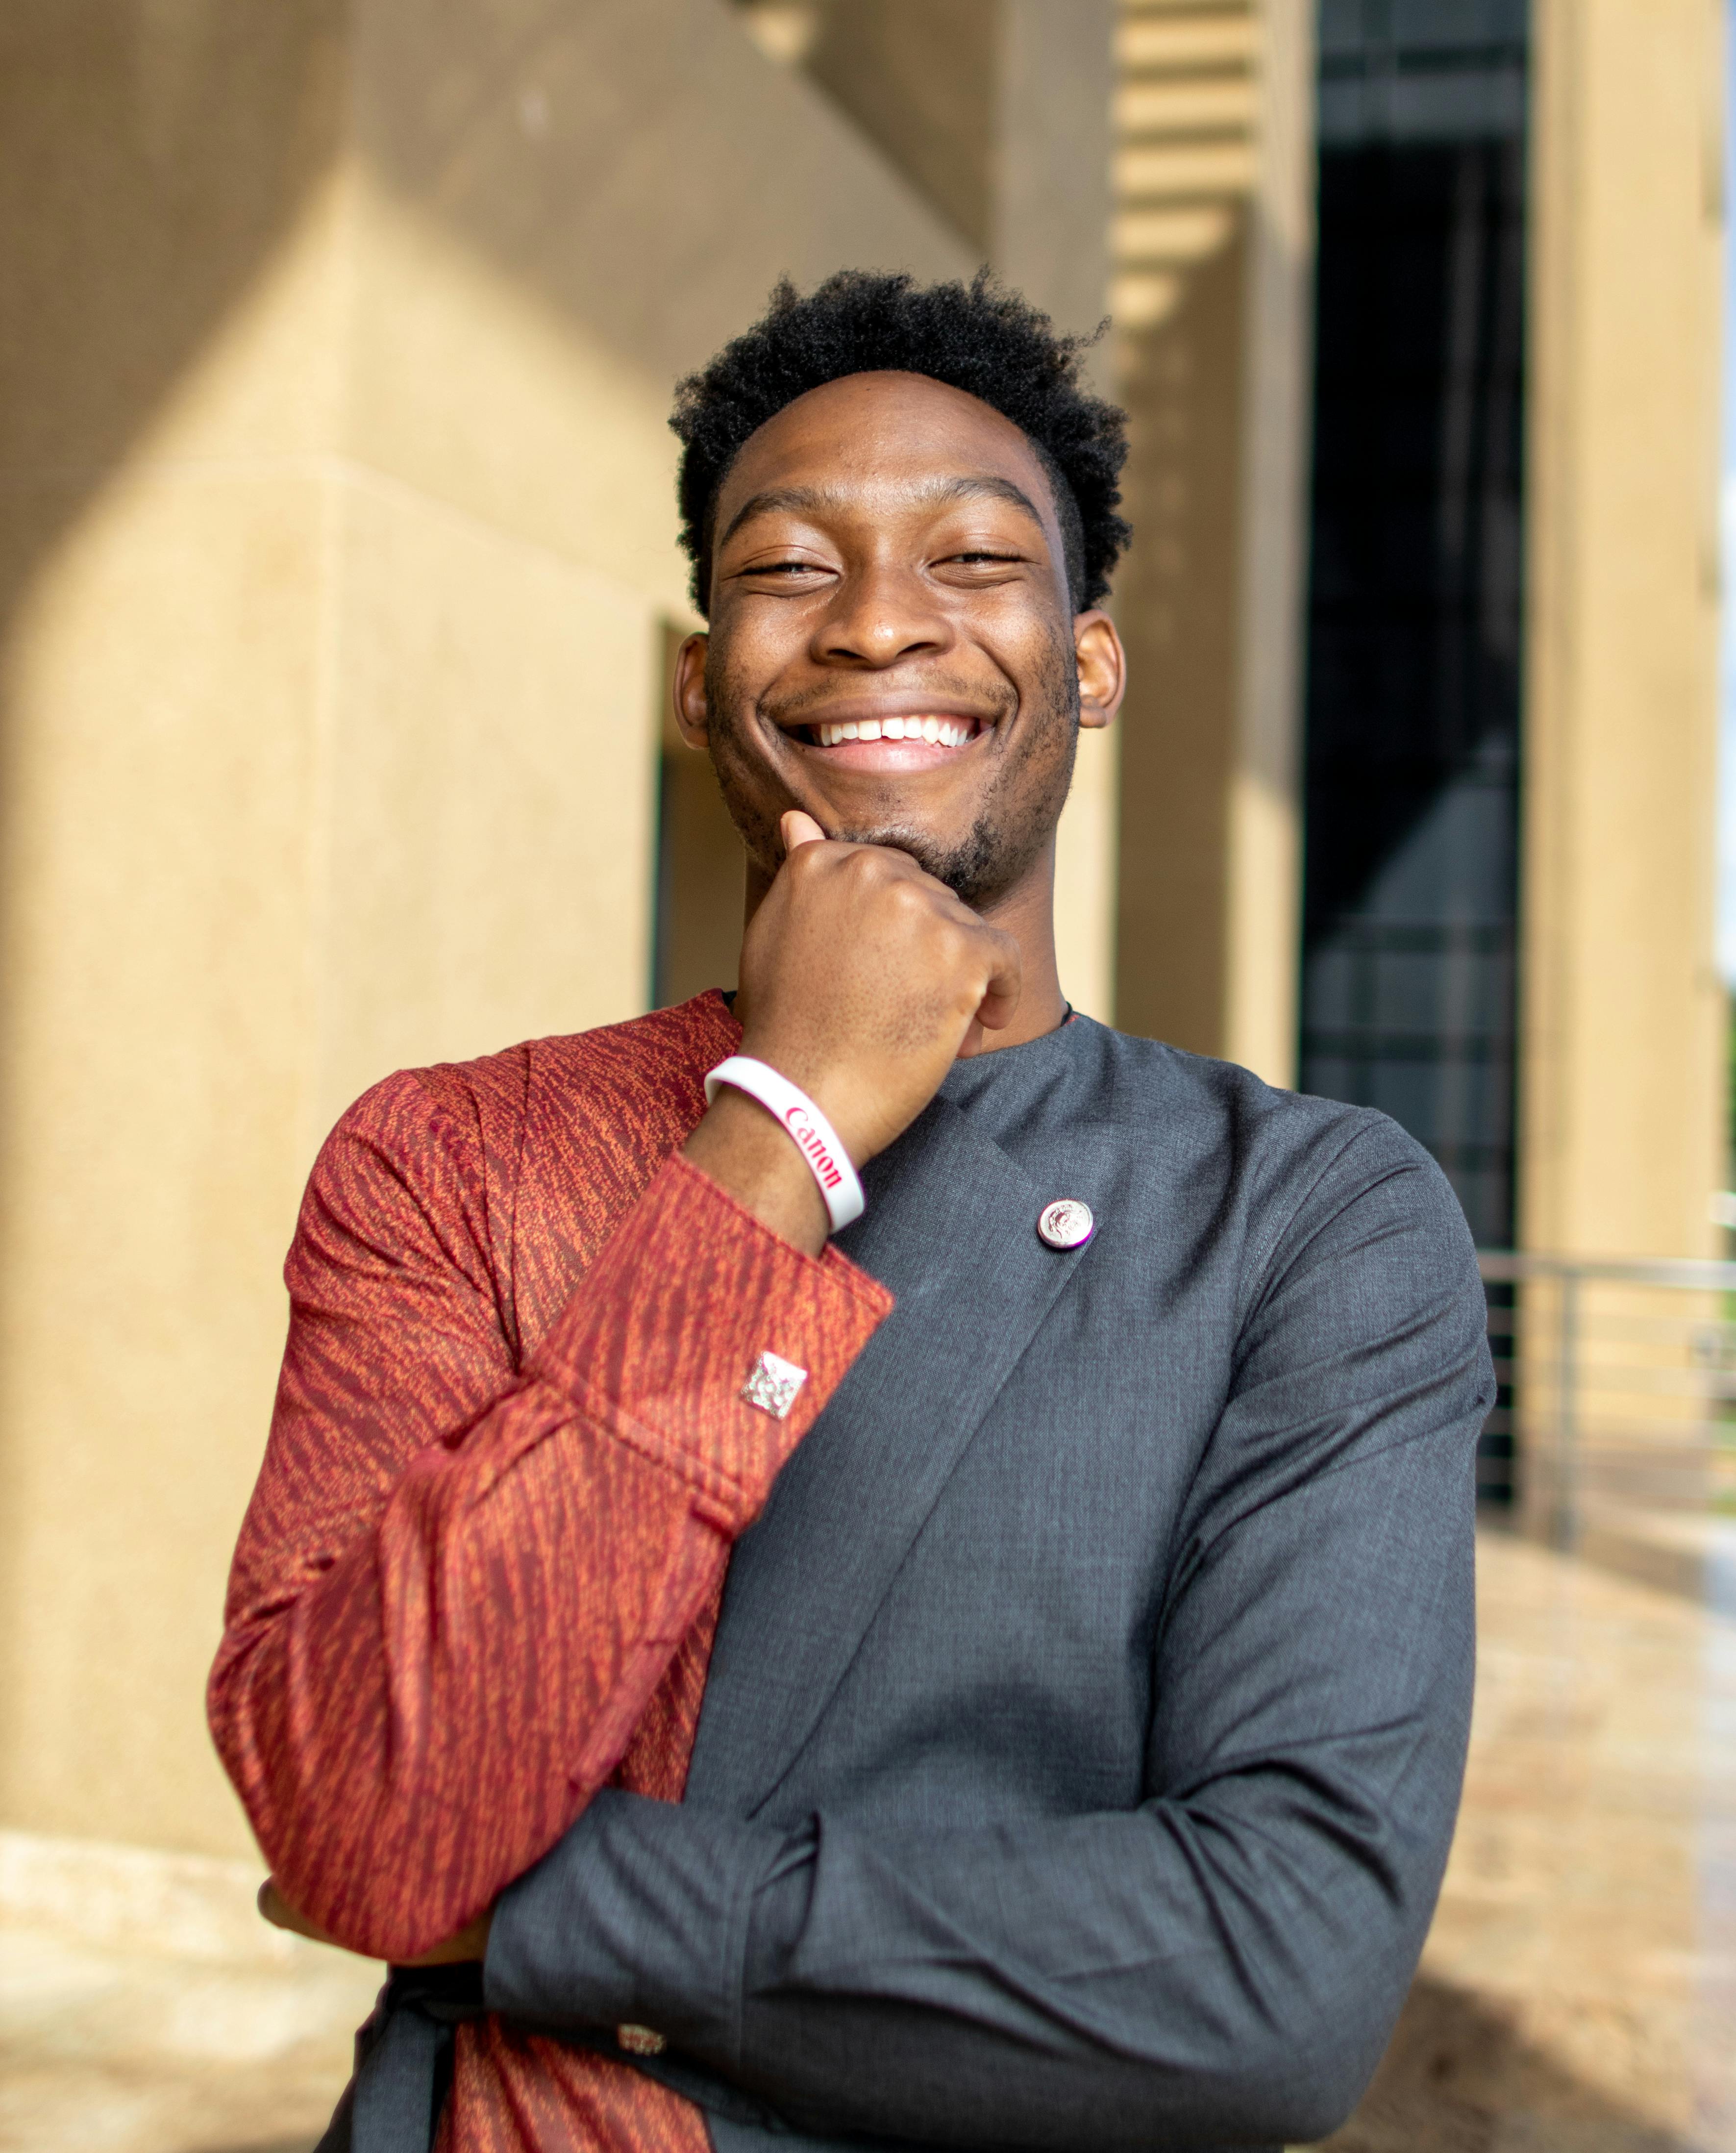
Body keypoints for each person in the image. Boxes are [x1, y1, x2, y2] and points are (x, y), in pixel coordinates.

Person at [209, 269, 1494, 2153]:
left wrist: (540, 1917)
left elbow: (1273, 1976)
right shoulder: (452, 1160)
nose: (881, 621)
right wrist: (781, 1132)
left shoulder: (1309, 1223)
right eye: (789, 568)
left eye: (974, 560)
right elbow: (360, 1805)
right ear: (698, 679)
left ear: (1090, 663)